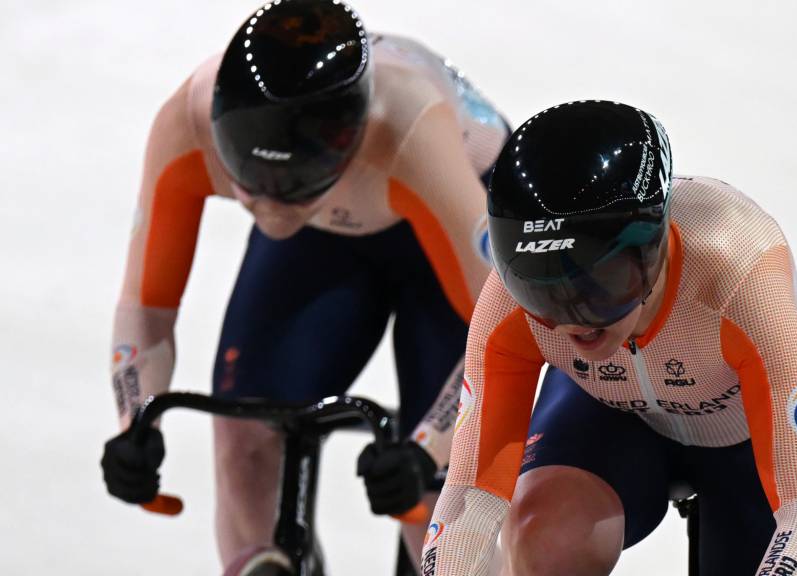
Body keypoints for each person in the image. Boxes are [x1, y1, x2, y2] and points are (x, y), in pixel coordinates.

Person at [100, 0, 509, 571]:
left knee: (436, 501)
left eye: (290, 184)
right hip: (323, 231)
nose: (268, 205)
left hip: (450, 203)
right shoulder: (185, 121)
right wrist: (134, 421)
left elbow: (503, 335)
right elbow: (144, 305)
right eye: (251, 181)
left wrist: (427, 450)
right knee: (246, 433)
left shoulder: (409, 130)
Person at [422, 100, 797, 575]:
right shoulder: (505, 302)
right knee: (545, 539)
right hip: (611, 416)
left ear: (653, 248)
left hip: (754, 434)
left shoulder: (737, 271)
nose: (573, 322)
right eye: (540, 290)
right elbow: (469, 497)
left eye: (601, 286)